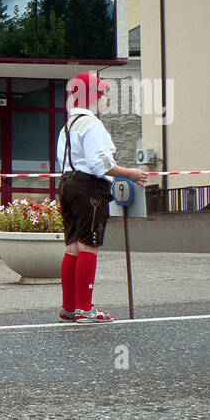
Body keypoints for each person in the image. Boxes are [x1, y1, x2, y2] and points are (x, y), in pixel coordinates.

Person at [56, 73, 149, 323]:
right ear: (93, 96)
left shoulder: (67, 126)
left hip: (68, 184)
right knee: (89, 244)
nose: (106, 98)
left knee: (73, 246)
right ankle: (85, 308)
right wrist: (129, 174)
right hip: (89, 188)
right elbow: (100, 164)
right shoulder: (93, 125)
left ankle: (69, 306)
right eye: (103, 93)